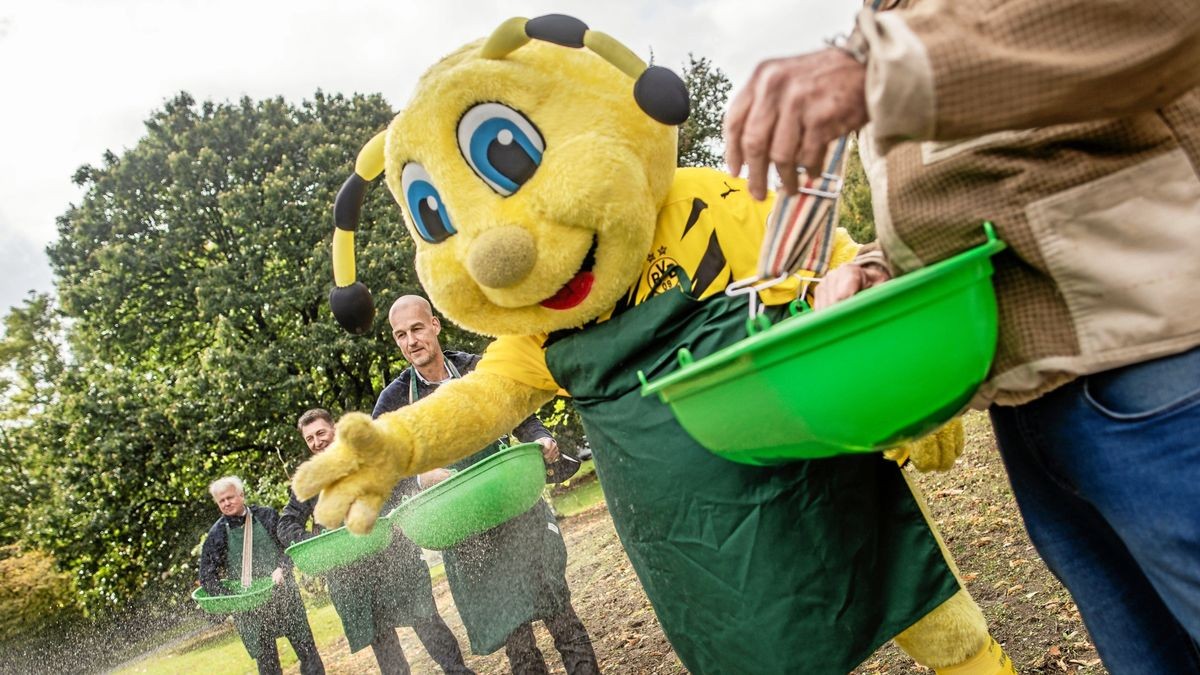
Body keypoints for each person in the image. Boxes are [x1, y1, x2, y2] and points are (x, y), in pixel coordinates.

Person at [724, 1, 1200, 671]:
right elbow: (976, 184)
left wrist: (875, 68)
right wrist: (877, 271)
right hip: (1034, 402)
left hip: (1161, 356)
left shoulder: (878, 50)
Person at [374, 295, 599, 675]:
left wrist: (540, 440)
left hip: (515, 510)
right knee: (519, 645)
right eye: (400, 335)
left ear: (435, 325)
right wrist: (417, 478)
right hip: (468, 536)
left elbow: (521, 414)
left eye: (416, 329)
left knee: (561, 617)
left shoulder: (476, 368)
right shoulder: (394, 400)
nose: (411, 341)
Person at [278, 408, 473, 675]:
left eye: (320, 433)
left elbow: (404, 479)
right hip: (351, 577)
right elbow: (286, 522)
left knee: (427, 621)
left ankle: (457, 671)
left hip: (396, 558)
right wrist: (315, 540)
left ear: (334, 428)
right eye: (309, 438)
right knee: (383, 644)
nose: (316, 442)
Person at [198, 476, 325, 675]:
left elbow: (288, 547)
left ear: (241, 495)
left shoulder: (267, 516)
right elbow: (207, 576)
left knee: (307, 651)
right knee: (267, 665)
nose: (227, 503)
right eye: (221, 501)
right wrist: (233, 599)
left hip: (283, 595)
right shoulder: (217, 534)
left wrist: (282, 567)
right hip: (250, 608)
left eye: (230, 497)